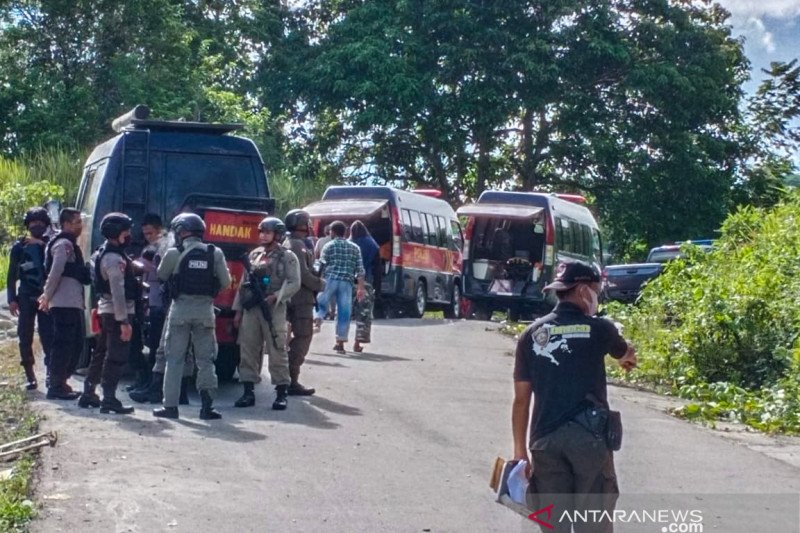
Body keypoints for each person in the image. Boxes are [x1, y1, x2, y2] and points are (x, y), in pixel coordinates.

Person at [511, 261, 637, 533]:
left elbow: (521, 399)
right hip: (589, 441)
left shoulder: (531, 335)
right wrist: (628, 357)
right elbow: (625, 352)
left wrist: (520, 452)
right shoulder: (601, 329)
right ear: (582, 290)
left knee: (553, 526)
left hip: (544, 443)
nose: (597, 297)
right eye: (596, 290)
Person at [152, 213, 231, 420]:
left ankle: (170, 407)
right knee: (205, 360)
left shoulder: (173, 253)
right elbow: (225, 282)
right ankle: (207, 407)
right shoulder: (215, 253)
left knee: (175, 359)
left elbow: (161, 275)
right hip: (205, 312)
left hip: (179, 311)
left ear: (182, 232)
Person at [233, 217, 300, 410]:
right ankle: (248, 392)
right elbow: (243, 285)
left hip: (274, 309)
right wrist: (238, 311)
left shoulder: (287, 256)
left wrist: (275, 297)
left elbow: (294, 282)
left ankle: (281, 393)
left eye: (267, 232)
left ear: (277, 235)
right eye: (261, 232)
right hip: (252, 309)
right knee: (248, 349)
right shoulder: (254, 255)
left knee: (277, 348)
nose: (263, 236)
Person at [78, 213, 137, 414]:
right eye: (125, 231)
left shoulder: (100, 253)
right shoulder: (113, 258)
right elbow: (117, 290)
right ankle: (109, 399)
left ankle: (89, 392)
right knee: (116, 356)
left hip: (106, 310)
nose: (128, 234)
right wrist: (124, 321)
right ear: (116, 232)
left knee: (101, 352)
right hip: (116, 312)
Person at [39, 207, 91, 400]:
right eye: (77, 222)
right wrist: (46, 296)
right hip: (63, 304)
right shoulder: (63, 244)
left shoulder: (70, 244)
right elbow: (55, 271)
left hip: (71, 303)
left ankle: (60, 382)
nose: (81, 226)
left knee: (75, 344)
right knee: (64, 345)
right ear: (67, 224)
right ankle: (55, 385)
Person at [6, 207, 54, 390]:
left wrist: (41, 244)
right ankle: (30, 375)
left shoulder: (51, 243)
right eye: (33, 223)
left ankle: (51, 374)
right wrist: (12, 299)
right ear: (27, 225)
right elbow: (11, 276)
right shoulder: (19, 247)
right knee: (24, 335)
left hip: (46, 296)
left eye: (41, 223)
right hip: (25, 295)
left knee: (48, 335)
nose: (37, 226)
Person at [284, 209, 325, 396]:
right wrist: (320, 284)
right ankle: (291, 379)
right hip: (301, 298)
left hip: (292, 297)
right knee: (303, 336)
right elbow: (304, 275)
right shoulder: (297, 245)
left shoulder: (288, 242)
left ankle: (287, 377)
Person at [314, 220, 366, 354]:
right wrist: (360, 287)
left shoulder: (329, 246)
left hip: (330, 280)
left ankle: (318, 319)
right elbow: (360, 269)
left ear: (332, 232)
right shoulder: (355, 248)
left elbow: (321, 264)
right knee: (344, 312)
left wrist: (315, 280)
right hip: (347, 283)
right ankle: (340, 343)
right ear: (345, 232)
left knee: (321, 302)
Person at [349, 220, 379, 353]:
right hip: (366, 282)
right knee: (364, 314)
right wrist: (377, 287)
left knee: (344, 313)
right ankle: (357, 343)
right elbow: (377, 268)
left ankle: (340, 341)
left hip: (348, 282)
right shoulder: (373, 245)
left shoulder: (349, 244)